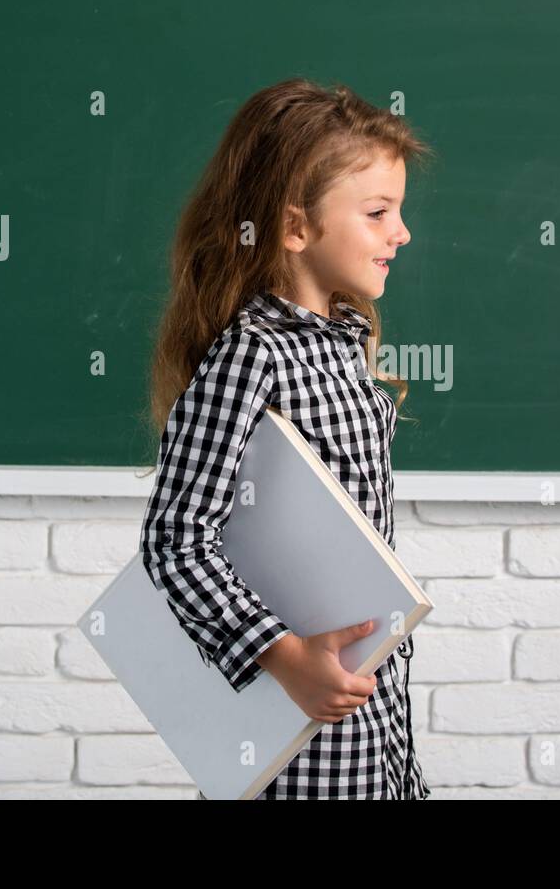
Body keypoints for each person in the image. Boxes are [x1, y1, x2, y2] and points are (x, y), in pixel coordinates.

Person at [137, 77, 435, 799]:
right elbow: (176, 538)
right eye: (376, 213)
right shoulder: (253, 353)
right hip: (299, 732)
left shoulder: (343, 337)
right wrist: (286, 655)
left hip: (372, 714)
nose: (402, 233)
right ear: (295, 227)